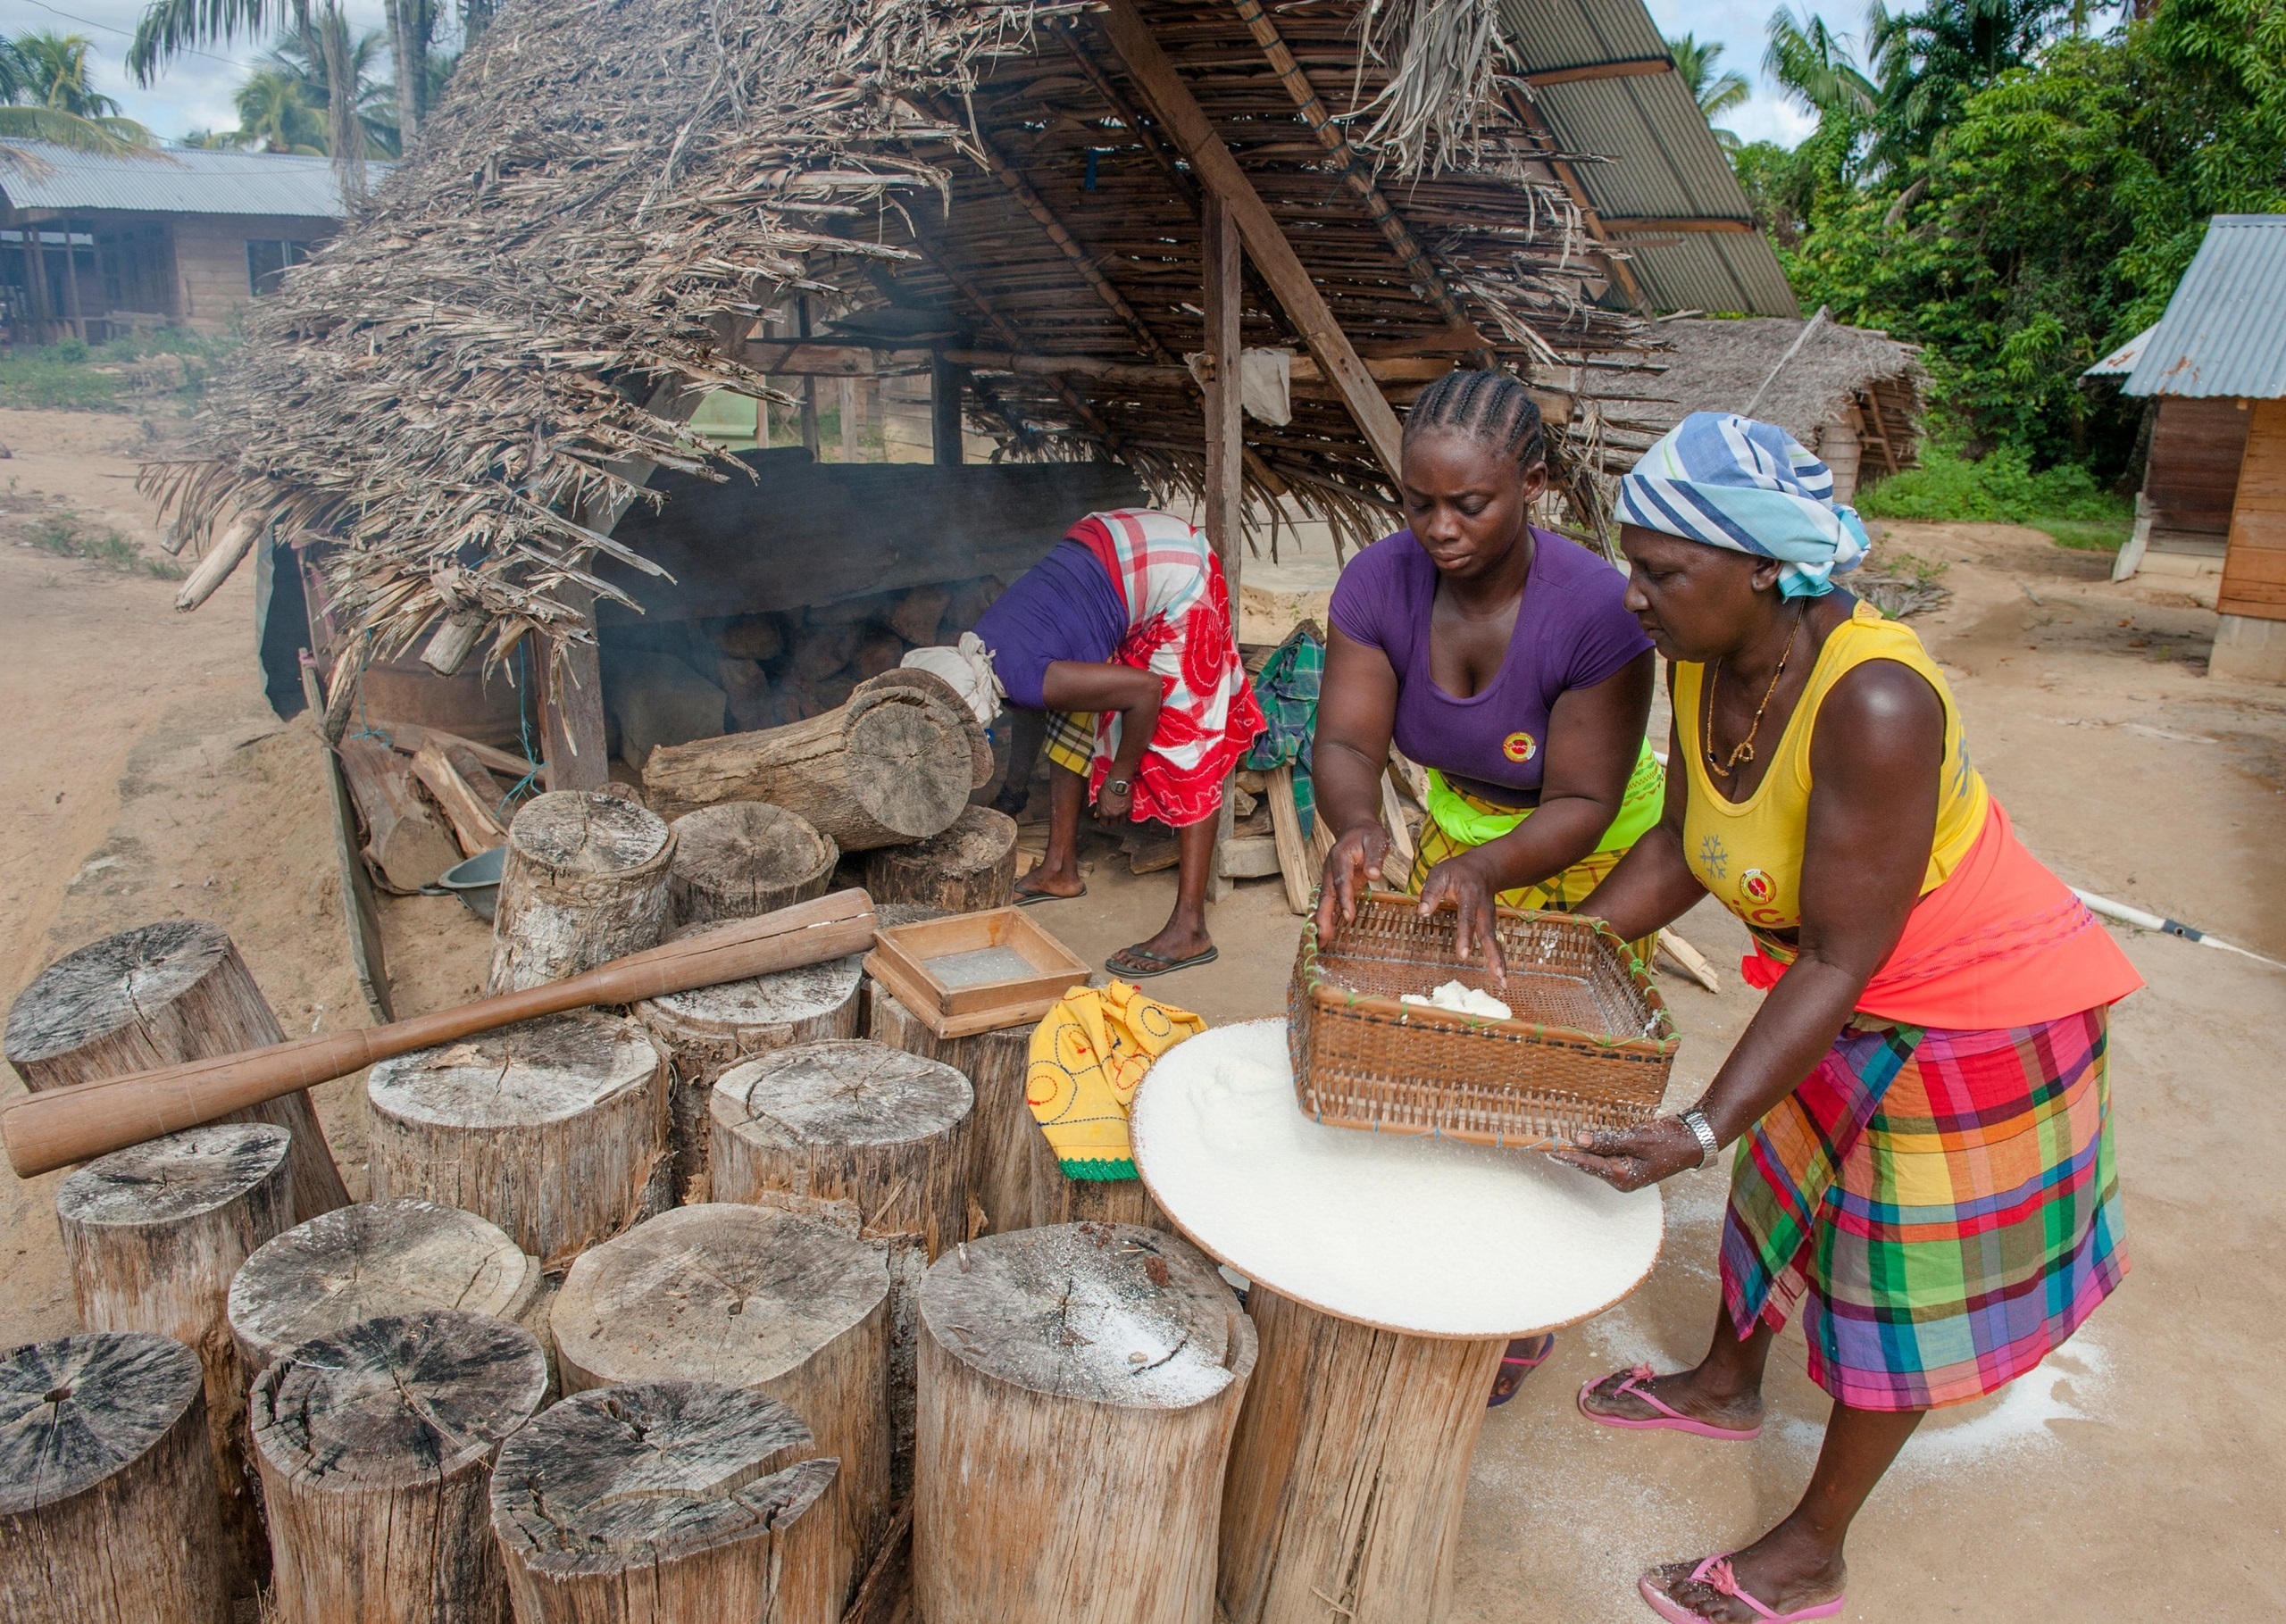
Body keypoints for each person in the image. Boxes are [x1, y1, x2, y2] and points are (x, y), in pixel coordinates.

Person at [1554, 413, 2141, 1624]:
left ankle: (1813, 1547)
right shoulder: (1702, 645)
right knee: (1782, 1180)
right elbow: (1687, 838)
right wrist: (1563, 949)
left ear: (1766, 566)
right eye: (1634, 561)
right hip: (1843, 984)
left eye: (1661, 569)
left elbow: (1838, 947)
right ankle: (1725, 1384)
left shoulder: (1874, 699)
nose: (1635, 593)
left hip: (1979, 1009)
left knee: (1895, 1283)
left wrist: (1699, 1124)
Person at [1312, 368, 1664, 1403]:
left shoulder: (1595, 609)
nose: (1439, 527)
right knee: (1443, 1032)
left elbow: (1585, 797)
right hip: (1463, 822)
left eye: (1470, 503)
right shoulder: (1378, 585)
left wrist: (1485, 870)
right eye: (1417, 502)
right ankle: (1445, 1247)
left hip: (1582, 837)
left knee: (1550, 1063)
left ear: (1535, 486)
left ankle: (1526, 1301)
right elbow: (1343, 737)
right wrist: (1361, 825)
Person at [974, 508, 1264, 978]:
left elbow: (1145, 690)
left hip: (1179, 578)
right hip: (1119, 555)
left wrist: (1119, 781)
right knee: (1072, 706)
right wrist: (1013, 791)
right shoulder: (986, 644)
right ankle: (1060, 868)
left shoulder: (1022, 674)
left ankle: (1190, 927)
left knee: (1187, 741)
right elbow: (1035, 706)